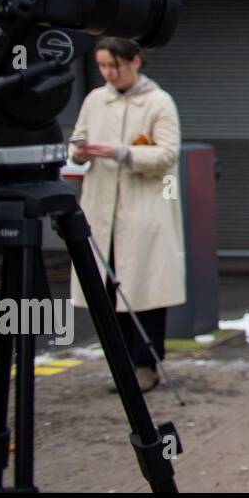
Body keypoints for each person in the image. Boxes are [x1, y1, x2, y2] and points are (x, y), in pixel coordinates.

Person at [68, 37, 185, 393]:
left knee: (142, 289)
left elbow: (167, 154)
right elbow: (76, 143)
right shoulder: (95, 100)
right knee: (106, 287)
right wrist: (82, 153)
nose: (107, 73)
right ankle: (120, 363)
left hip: (142, 209)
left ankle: (146, 364)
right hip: (102, 207)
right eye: (102, 66)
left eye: (114, 65)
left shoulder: (158, 102)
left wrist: (122, 153)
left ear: (135, 62)